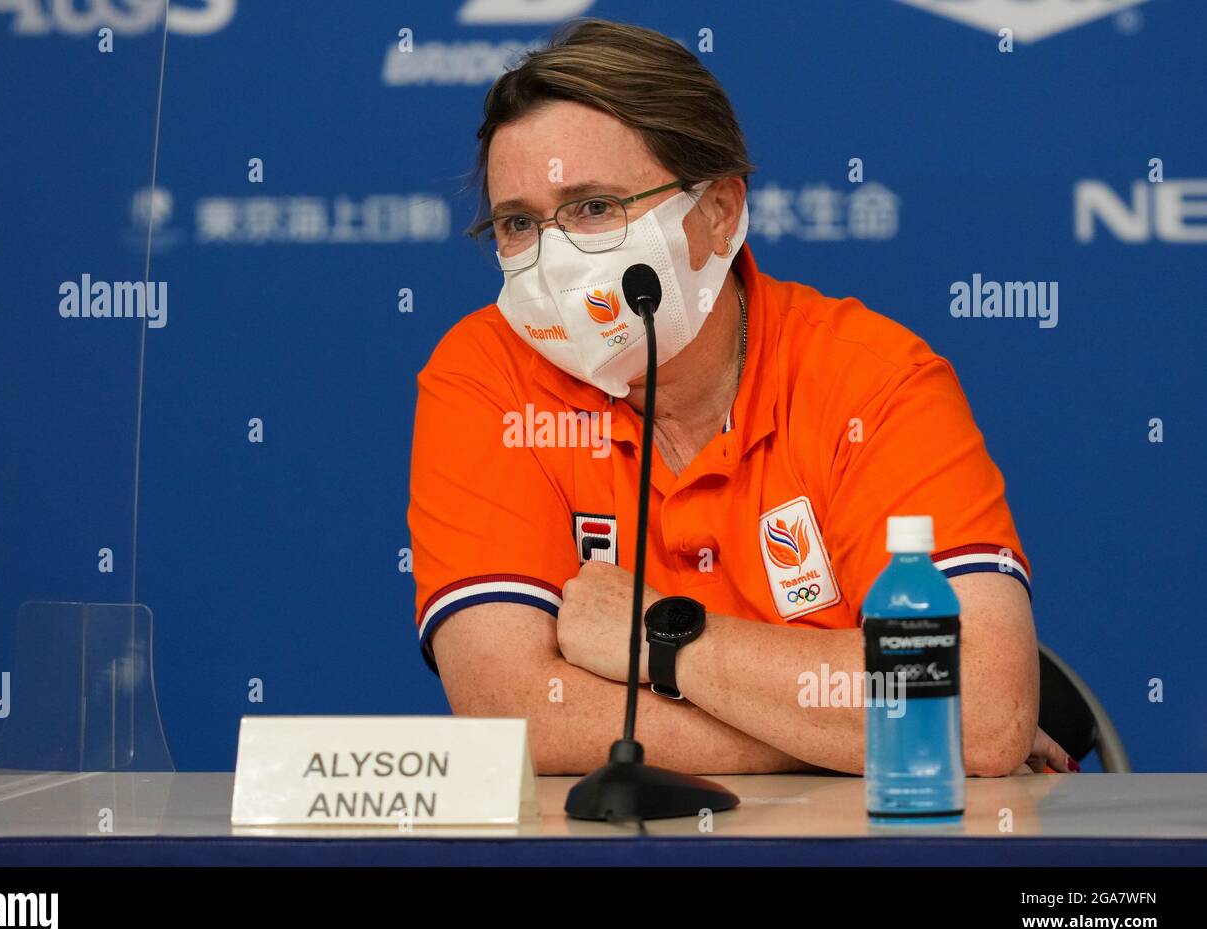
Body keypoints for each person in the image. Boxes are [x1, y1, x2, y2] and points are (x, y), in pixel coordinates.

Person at [408, 18, 1074, 777]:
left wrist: (664, 637)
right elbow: (514, 714)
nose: (554, 259)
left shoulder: (875, 377)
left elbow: (976, 708)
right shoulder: (486, 376)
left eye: (594, 207)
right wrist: (854, 735)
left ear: (719, 209)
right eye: (519, 223)